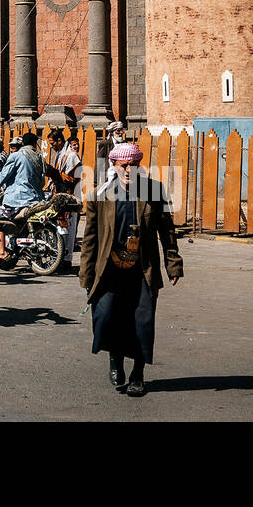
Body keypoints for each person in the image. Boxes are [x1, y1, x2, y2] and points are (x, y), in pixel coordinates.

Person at [79, 141, 182, 398]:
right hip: (110, 271)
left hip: (141, 270)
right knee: (106, 316)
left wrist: (173, 264)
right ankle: (115, 359)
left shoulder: (154, 192)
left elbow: (167, 231)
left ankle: (138, 375)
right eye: (124, 166)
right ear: (114, 165)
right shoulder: (99, 196)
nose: (129, 171)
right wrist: (86, 275)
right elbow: (90, 239)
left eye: (134, 165)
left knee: (141, 322)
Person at [0, 132, 47, 262]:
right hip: (36, 199)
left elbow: (3, 176)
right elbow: (42, 182)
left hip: (16, 200)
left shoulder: (16, 156)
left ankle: (1, 251)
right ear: (35, 144)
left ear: (22, 143)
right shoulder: (40, 158)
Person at [47, 129, 84, 274]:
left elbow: (75, 177)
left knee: (69, 228)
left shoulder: (72, 155)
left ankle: (67, 260)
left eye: (52, 143)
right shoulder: (60, 154)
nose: (51, 146)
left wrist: (56, 174)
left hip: (70, 196)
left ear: (59, 141)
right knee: (60, 228)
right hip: (60, 195)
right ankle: (60, 258)